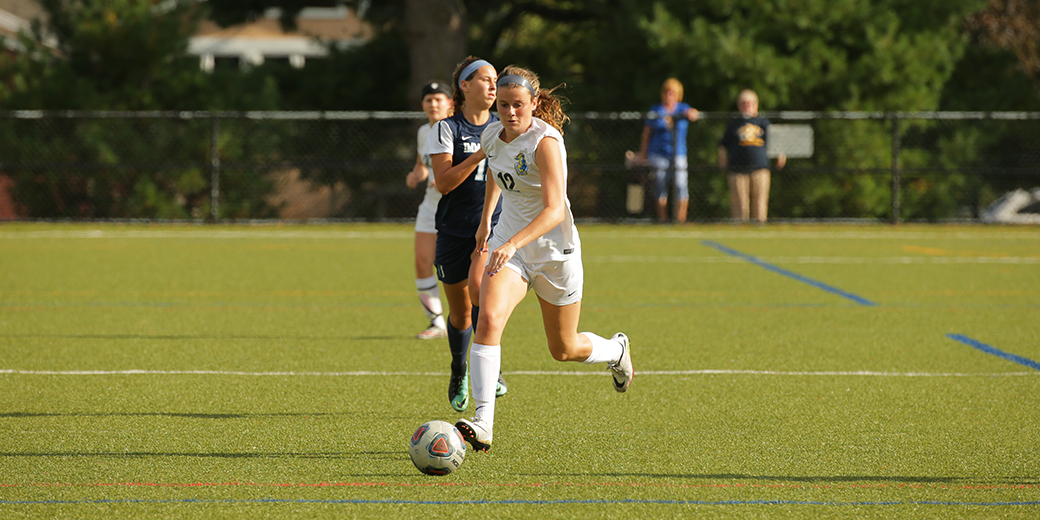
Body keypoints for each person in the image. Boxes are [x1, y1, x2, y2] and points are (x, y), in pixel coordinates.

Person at [448, 65, 634, 453]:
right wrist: (486, 224)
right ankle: (483, 423)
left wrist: (513, 243)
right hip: (509, 246)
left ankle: (616, 351)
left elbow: (554, 209)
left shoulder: (546, 142)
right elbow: (496, 173)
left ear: (534, 103)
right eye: (503, 105)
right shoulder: (492, 134)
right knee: (488, 318)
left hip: (554, 253)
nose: (510, 112)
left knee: (563, 348)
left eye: (518, 104)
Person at [428, 56, 507, 412]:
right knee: (460, 314)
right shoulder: (447, 129)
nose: (493, 86)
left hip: (490, 230)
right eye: (486, 79)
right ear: (465, 85)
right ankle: (459, 369)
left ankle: (489, 369)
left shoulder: (503, 126)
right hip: (452, 231)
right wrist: (479, 155)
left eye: (496, 80)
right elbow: (444, 183)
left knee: (481, 294)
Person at [406, 81, 453, 340]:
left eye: (438, 99)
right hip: (430, 207)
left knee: (462, 269)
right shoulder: (424, 131)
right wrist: (417, 175)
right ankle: (437, 323)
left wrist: (447, 180)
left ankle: (469, 320)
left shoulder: (457, 129)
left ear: (450, 103)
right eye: (428, 100)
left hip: (457, 208)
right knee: (422, 261)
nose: (433, 104)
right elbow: (423, 165)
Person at [717, 89, 786, 223]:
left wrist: (780, 155)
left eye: (750, 103)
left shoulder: (763, 122)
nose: (747, 106)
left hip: (760, 169)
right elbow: (723, 144)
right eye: (744, 103)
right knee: (739, 204)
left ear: (756, 104)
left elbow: (775, 140)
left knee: (760, 202)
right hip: (737, 170)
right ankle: (739, 229)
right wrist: (722, 160)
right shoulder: (734, 124)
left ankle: (759, 228)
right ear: (739, 105)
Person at [637, 78, 699, 223]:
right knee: (660, 186)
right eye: (666, 92)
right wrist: (643, 154)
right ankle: (663, 221)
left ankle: (680, 221)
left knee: (681, 185)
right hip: (658, 154)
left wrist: (692, 113)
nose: (669, 96)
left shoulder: (682, 108)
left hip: (678, 154)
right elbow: (646, 133)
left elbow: (694, 114)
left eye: (672, 93)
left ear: (678, 95)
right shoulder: (655, 110)